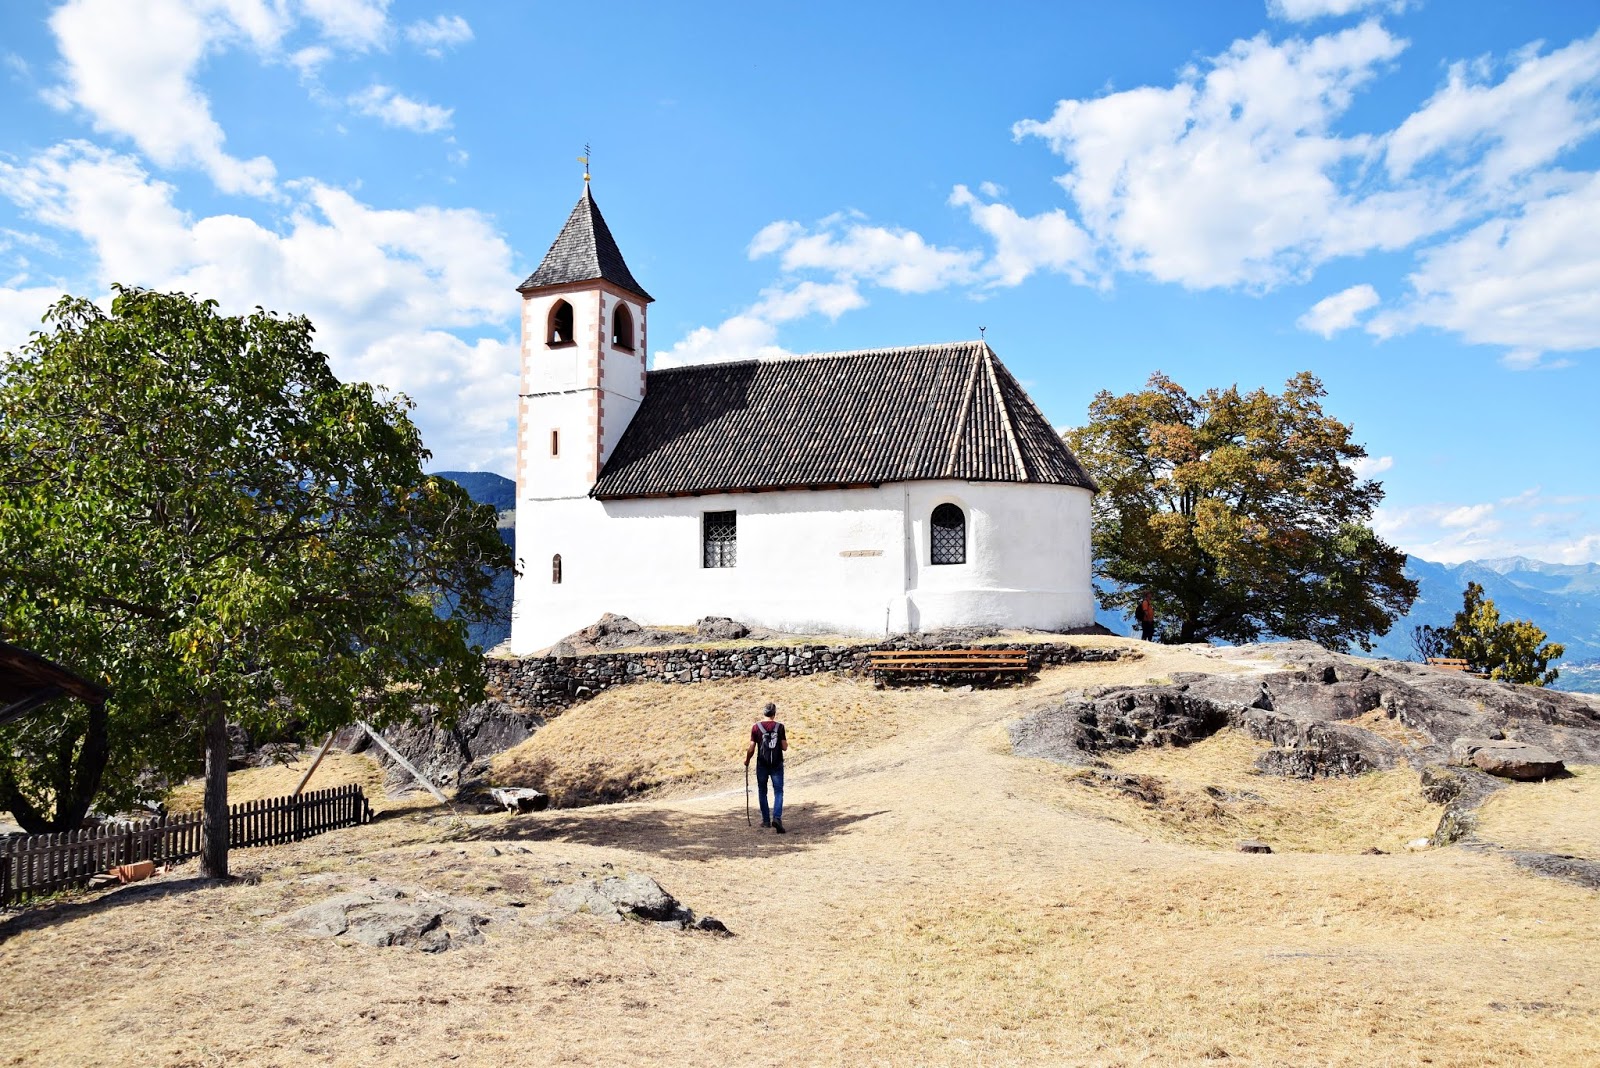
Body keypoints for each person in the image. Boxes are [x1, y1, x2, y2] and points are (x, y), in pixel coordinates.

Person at [745, 701, 788, 833]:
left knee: (762, 791)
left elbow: (752, 748)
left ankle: (766, 821)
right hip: (776, 764)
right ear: (774, 714)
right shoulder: (780, 727)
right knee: (778, 791)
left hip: (762, 764)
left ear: (764, 713)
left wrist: (747, 760)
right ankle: (777, 818)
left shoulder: (756, 727)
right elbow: (784, 747)